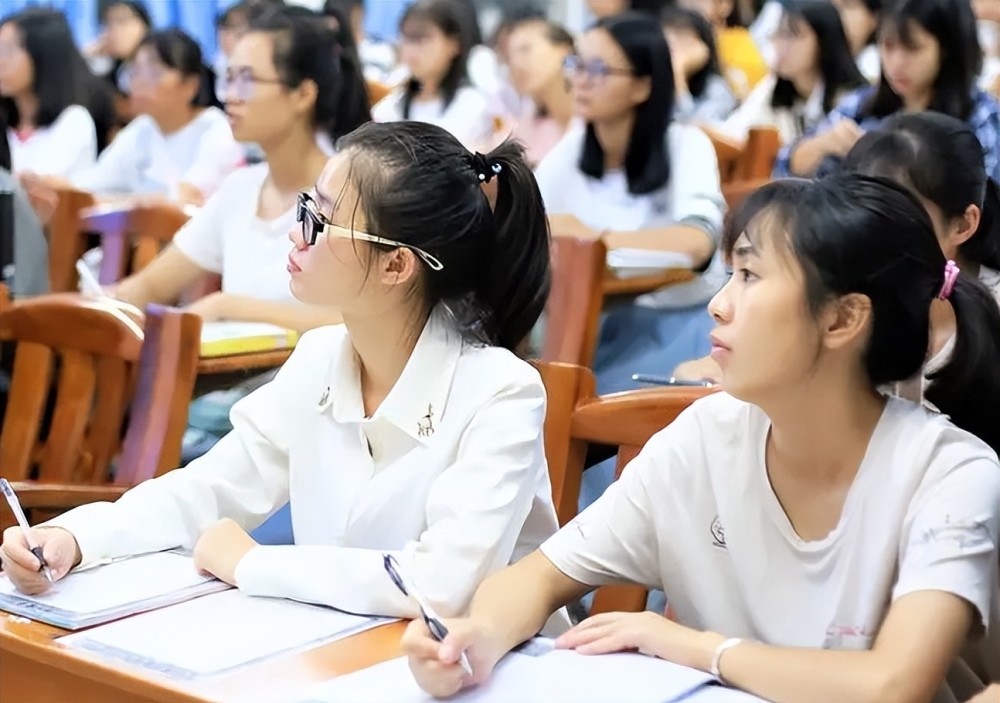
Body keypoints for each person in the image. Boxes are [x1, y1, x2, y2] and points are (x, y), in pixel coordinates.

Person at [402, 173, 1000, 703]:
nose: (718, 305)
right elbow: (538, 577)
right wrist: (472, 642)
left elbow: (893, 686)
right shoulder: (705, 438)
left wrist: (698, 647)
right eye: (729, 273)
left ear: (842, 318)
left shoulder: (950, 475)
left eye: (750, 276)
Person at [0, 122, 562, 626]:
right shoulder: (321, 357)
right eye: (306, 208)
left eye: (321, 222)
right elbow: (208, 489)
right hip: (346, 652)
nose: (296, 234)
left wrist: (252, 563)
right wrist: (77, 537)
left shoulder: (502, 393)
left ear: (397, 264)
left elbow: (440, 587)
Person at [677, 113, 1000, 448]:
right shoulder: (839, 290)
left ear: (963, 225)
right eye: (859, 211)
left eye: (898, 214)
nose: (868, 232)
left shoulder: (944, 451)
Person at [107, 6, 367, 332]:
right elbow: (146, 288)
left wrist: (228, 306)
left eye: (246, 79)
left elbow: (357, 321)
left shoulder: (350, 194)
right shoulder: (240, 189)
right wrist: (102, 306)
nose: (230, 96)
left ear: (303, 94)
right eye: (228, 78)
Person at [535, 12, 726, 397]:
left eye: (599, 68)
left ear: (642, 86)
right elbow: (529, 220)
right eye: (576, 64)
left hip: (672, 324)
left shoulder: (685, 145)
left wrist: (591, 238)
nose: (580, 80)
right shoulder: (573, 149)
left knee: (584, 416)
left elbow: (697, 243)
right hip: (590, 321)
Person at [776, 0, 1000, 180]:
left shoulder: (981, 117)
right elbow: (783, 165)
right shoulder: (861, 105)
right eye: (888, 46)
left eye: (913, 48)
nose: (896, 62)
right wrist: (823, 144)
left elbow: (984, 204)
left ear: (947, 49)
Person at [55, 29, 241, 206]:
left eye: (154, 73)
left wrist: (115, 202)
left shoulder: (217, 131)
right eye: (135, 71)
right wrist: (57, 185)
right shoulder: (141, 129)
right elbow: (94, 181)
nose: (139, 82)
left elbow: (185, 197)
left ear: (190, 85)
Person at [718, 0, 867, 146]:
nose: (782, 46)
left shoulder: (854, 99)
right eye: (779, 34)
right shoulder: (771, 87)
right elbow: (734, 132)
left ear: (824, 41)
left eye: (793, 35)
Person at [0, 8, 115, 178]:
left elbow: (34, 185)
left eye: (8, 50)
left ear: (43, 55)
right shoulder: (6, 123)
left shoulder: (73, 121)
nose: (1, 60)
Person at [371, 0, 495, 150]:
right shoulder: (389, 107)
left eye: (422, 39)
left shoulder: (475, 106)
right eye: (406, 38)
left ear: (454, 44)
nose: (411, 50)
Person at [504, 17, 575, 166]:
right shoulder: (523, 125)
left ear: (564, 51)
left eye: (525, 50)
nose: (516, 63)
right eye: (509, 56)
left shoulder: (590, 116)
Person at [661, 7, 738, 125]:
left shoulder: (717, 89)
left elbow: (695, 129)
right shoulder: (648, 82)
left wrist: (678, 74)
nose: (675, 51)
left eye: (684, 42)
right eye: (669, 42)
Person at [831, 0, 882, 82]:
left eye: (849, 6)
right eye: (831, 7)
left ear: (875, 17)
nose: (836, 15)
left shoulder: (876, 70)